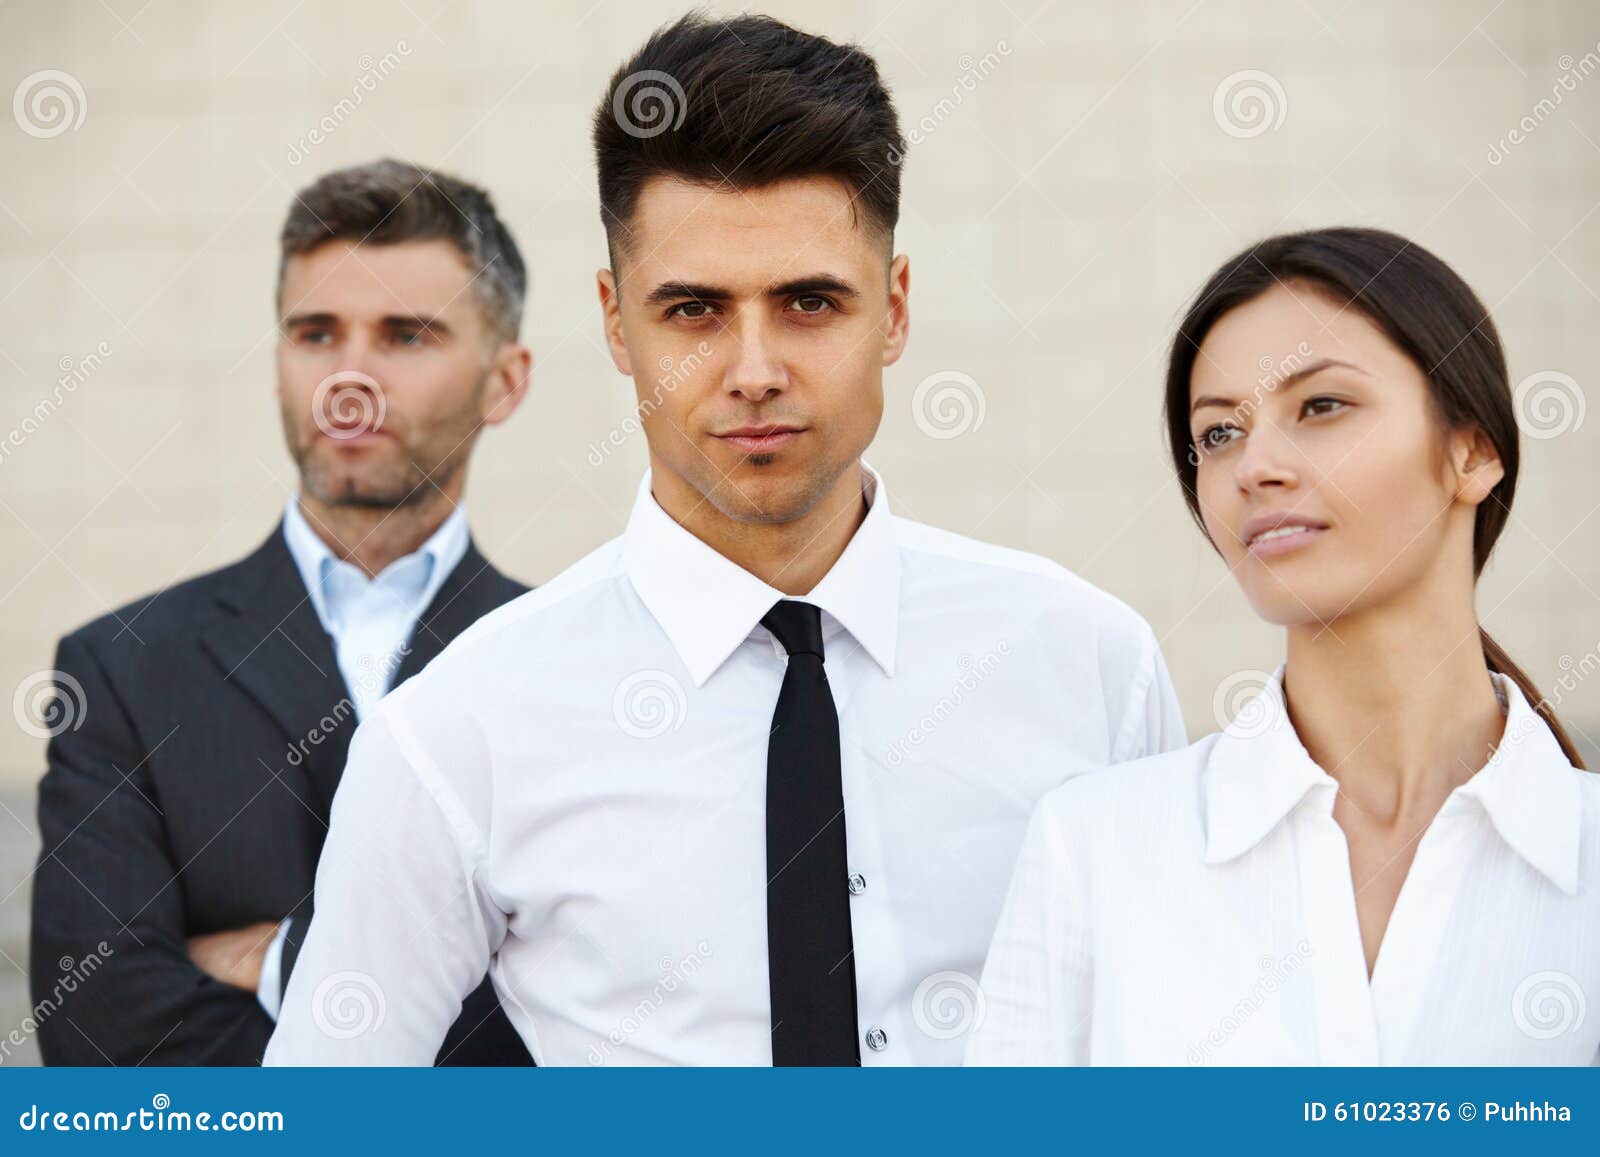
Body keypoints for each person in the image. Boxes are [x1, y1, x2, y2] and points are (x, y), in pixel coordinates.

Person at [263, 13, 1184, 1068]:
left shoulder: (1089, 663)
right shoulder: (459, 729)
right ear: (616, 323)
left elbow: (1182, 1051)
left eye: (808, 301)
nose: (754, 368)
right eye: (694, 309)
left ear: (893, 309)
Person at [967, 227, 1599, 1066]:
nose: (1254, 466)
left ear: (1472, 450)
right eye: (1220, 433)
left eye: (1321, 406)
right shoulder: (1094, 848)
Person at [31, 159, 535, 1065]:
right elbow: (100, 1033)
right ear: (277, 362)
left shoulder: (570, 663)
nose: (349, 381)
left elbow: (608, 1033)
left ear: (505, 381)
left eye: (405, 336)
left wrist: (275, 957)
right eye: (315, 332)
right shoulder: (124, 670)